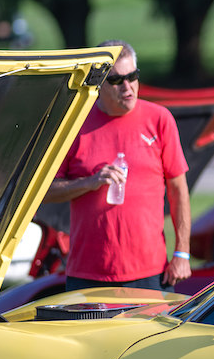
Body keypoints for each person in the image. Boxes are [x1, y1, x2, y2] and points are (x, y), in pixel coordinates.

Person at [42, 41, 192, 292]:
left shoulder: (160, 119)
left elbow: (179, 191)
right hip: (88, 274)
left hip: (152, 272)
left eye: (132, 76)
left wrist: (182, 253)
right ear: (99, 84)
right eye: (116, 80)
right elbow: (45, 191)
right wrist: (90, 182)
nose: (127, 86)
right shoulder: (73, 125)